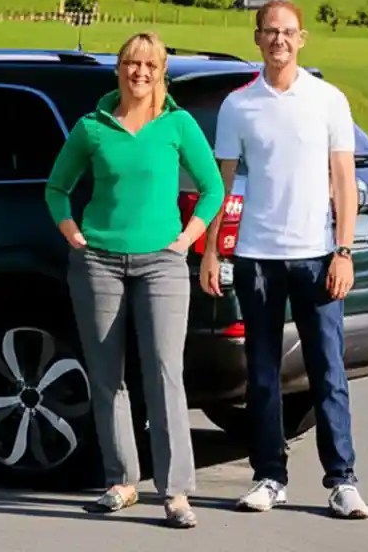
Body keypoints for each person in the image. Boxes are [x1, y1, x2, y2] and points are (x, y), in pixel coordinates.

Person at [199, 0, 368, 520]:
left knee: (328, 372)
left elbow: (343, 179)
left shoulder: (327, 100)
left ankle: (342, 480)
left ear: (303, 39)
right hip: (256, 258)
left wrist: (343, 251)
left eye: (288, 33)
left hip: (317, 257)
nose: (279, 40)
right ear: (258, 39)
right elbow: (219, 182)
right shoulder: (238, 106)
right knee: (264, 377)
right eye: (270, 32)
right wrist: (211, 249)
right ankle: (269, 475)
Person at [45, 32, 225, 529]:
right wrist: (71, 232)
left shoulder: (178, 125)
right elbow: (57, 188)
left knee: (165, 372)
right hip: (98, 261)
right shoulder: (92, 127)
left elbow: (212, 187)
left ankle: (175, 493)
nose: (139, 72)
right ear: (119, 70)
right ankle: (121, 481)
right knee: (107, 376)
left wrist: (187, 238)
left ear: (161, 71)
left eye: (149, 64)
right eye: (130, 63)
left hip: (162, 262)